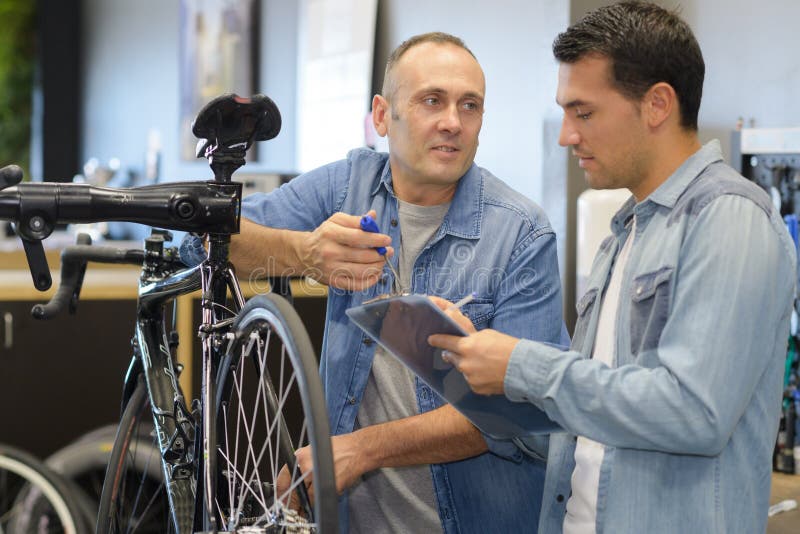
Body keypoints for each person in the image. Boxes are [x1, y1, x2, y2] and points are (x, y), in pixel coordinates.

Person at [428, 3, 797, 533]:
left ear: (657, 105)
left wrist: (523, 366)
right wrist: (483, 370)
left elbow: (695, 413)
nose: (566, 135)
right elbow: (591, 418)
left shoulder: (729, 218)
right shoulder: (626, 230)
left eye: (583, 113)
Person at [224, 32, 569, 533]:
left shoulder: (521, 233)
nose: (453, 122)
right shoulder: (348, 186)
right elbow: (209, 237)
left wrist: (361, 450)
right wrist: (304, 254)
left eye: (469, 105)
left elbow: (522, 412)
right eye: (432, 100)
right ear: (383, 116)